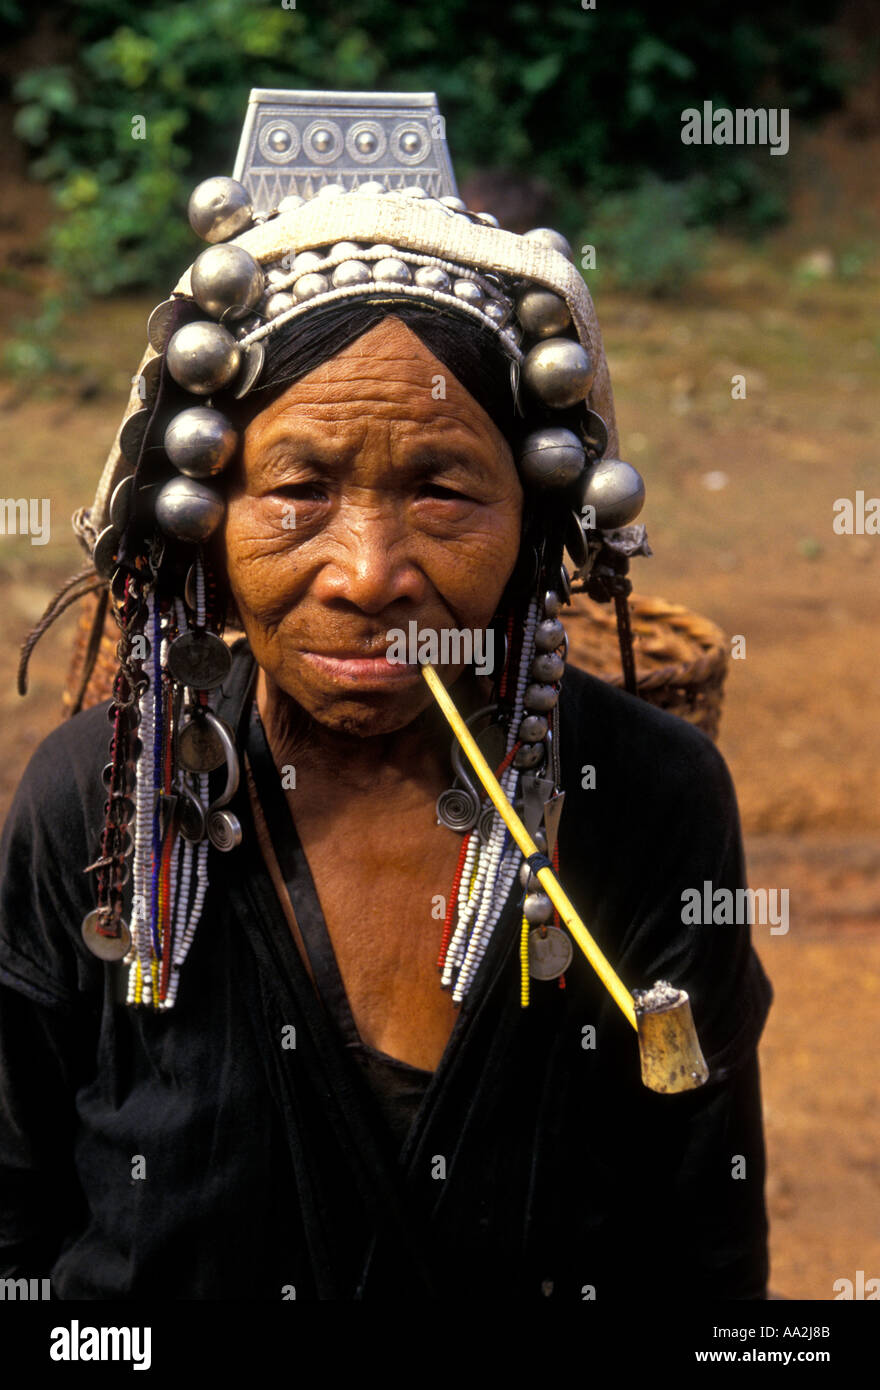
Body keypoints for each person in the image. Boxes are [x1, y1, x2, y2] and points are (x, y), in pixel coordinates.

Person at [0, 91, 772, 1300]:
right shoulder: (96, 810)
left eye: (445, 490)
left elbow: (704, 1254)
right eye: (298, 487)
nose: (371, 574)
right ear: (202, 525)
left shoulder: (646, 800)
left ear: (535, 524)